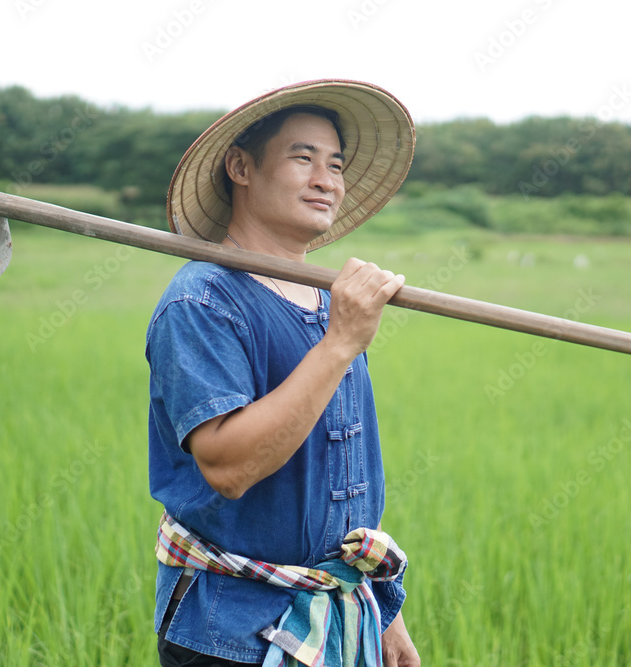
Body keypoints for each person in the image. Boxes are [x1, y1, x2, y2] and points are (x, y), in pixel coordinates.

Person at [146, 80, 420, 666]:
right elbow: (230, 466)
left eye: (336, 165)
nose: (327, 180)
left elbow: (340, 471)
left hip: (339, 620)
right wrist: (341, 342)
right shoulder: (202, 302)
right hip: (231, 634)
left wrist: (383, 608)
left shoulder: (327, 300)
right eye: (304, 158)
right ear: (241, 167)